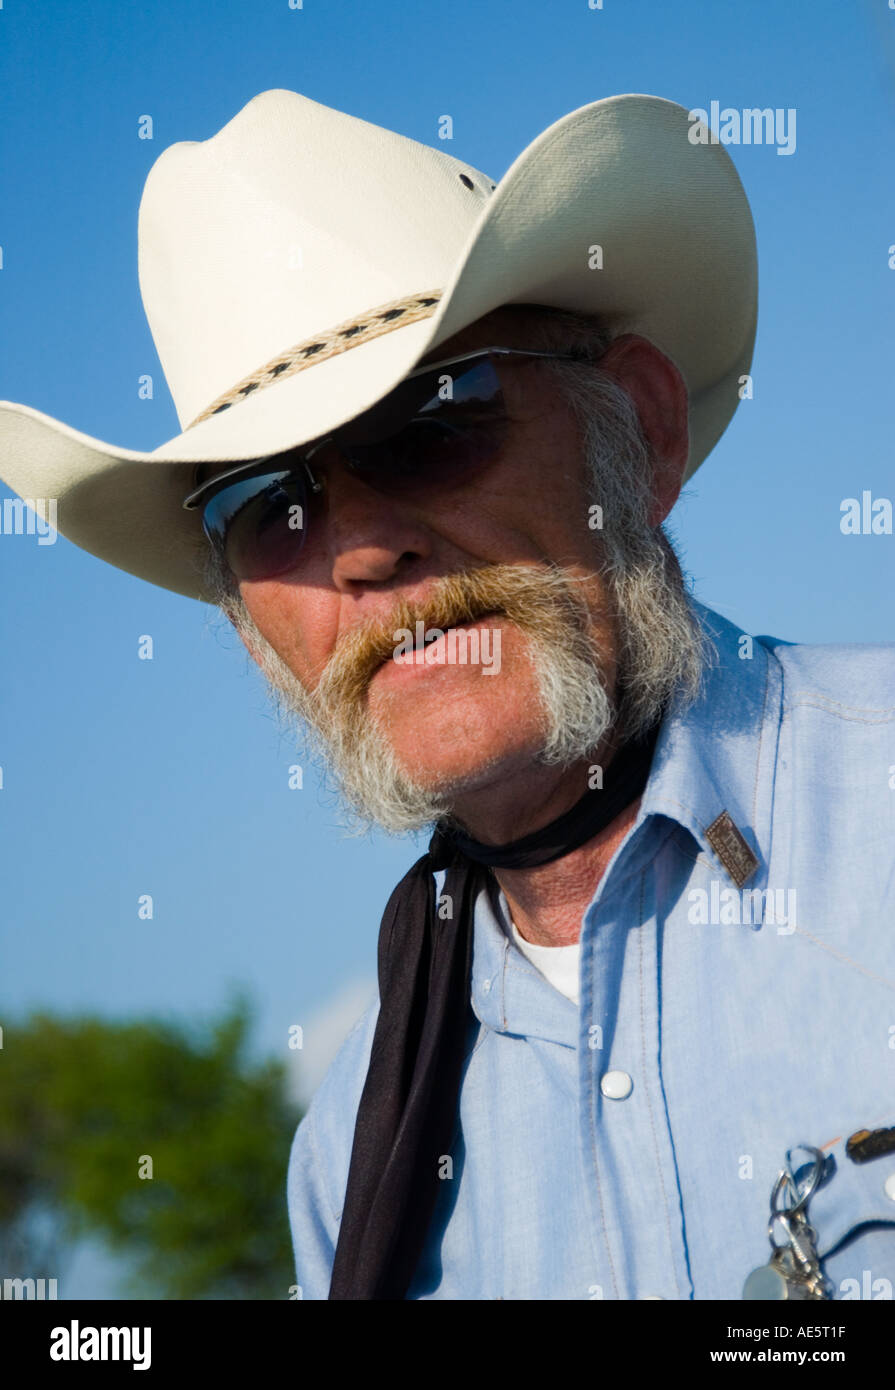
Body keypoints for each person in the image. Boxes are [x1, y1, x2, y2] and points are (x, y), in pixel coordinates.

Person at [2, 88, 893, 1302]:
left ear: (638, 430)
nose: (362, 550)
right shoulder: (348, 1170)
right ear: (253, 626)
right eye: (268, 505)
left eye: (432, 418)